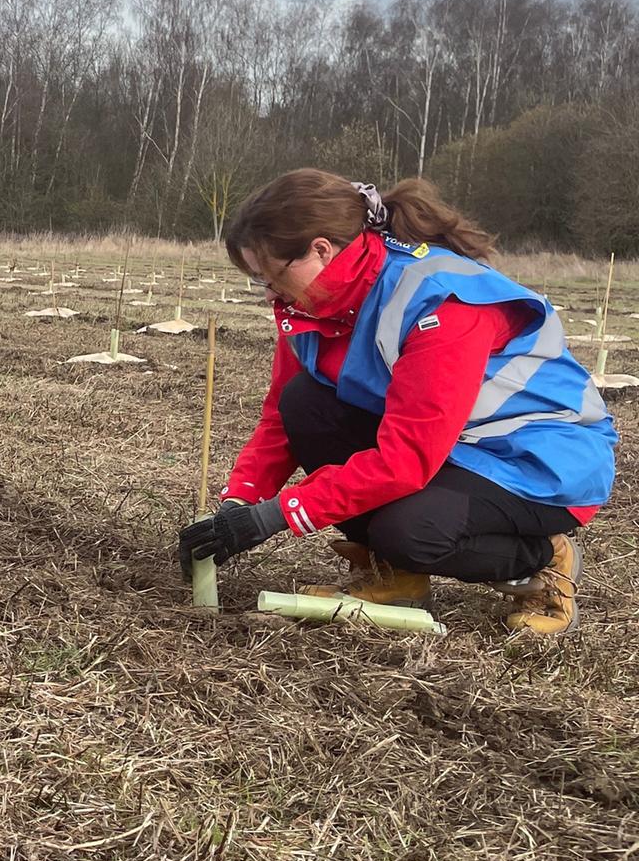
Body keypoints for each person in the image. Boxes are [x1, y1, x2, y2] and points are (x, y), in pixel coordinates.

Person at [178, 169, 616, 636]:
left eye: (271, 275)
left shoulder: (442, 306)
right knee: (305, 402)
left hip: (535, 462)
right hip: (452, 447)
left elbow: (405, 460)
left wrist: (272, 517)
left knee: (409, 532)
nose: (268, 291)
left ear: (321, 250)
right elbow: (281, 422)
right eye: (256, 279)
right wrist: (238, 503)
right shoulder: (308, 306)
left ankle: (545, 559)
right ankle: (398, 576)